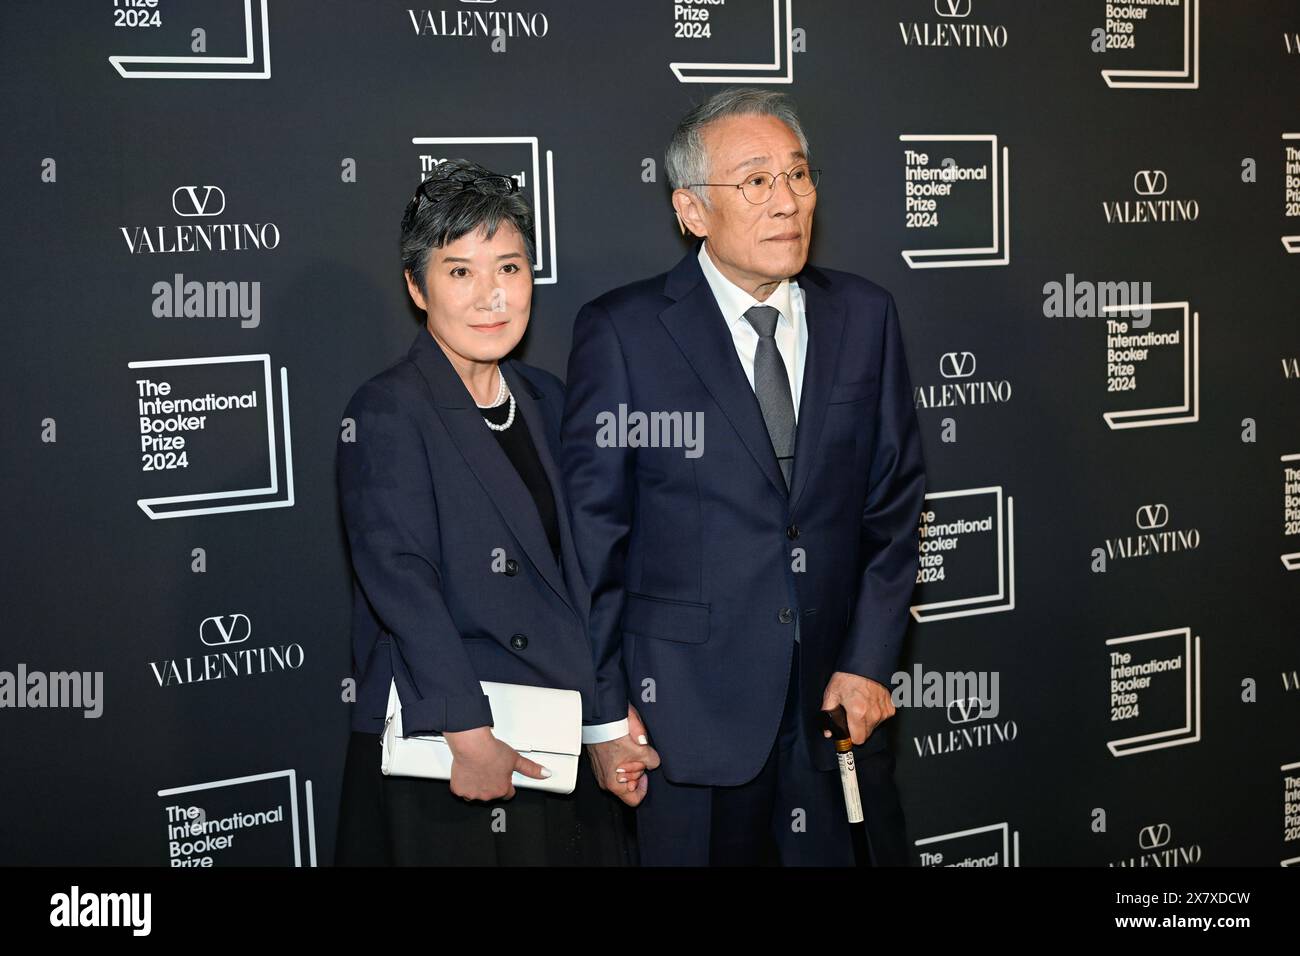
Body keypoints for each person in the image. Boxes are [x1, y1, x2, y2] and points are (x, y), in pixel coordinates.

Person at [561, 88, 927, 865]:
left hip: (834, 709)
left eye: (798, 175)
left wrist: (868, 661)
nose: (787, 200)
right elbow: (593, 538)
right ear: (692, 210)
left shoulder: (865, 317)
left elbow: (893, 509)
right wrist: (601, 714)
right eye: (756, 181)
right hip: (683, 722)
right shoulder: (623, 332)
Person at [333, 158, 655, 866]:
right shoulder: (388, 410)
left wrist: (605, 719)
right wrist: (466, 732)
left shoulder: (549, 399)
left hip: (553, 735)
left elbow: (586, 578)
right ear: (417, 288)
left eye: (509, 269)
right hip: (457, 752)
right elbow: (401, 582)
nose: (491, 297)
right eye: (459, 272)